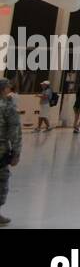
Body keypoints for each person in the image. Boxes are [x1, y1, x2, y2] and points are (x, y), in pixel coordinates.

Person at [0, 77, 20, 225]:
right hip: (1, 150)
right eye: (8, 87)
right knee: (1, 181)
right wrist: (16, 152)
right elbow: (15, 130)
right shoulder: (7, 106)